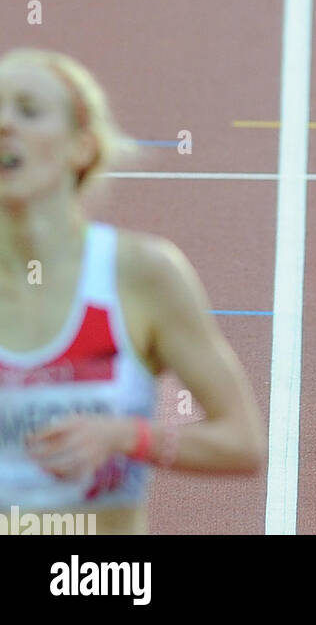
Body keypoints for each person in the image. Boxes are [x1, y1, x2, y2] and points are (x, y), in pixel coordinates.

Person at [0, 48, 266, 535]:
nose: (4, 125)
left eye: (28, 111)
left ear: (82, 146)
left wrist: (125, 437)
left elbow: (242, 440)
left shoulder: (140, 274)